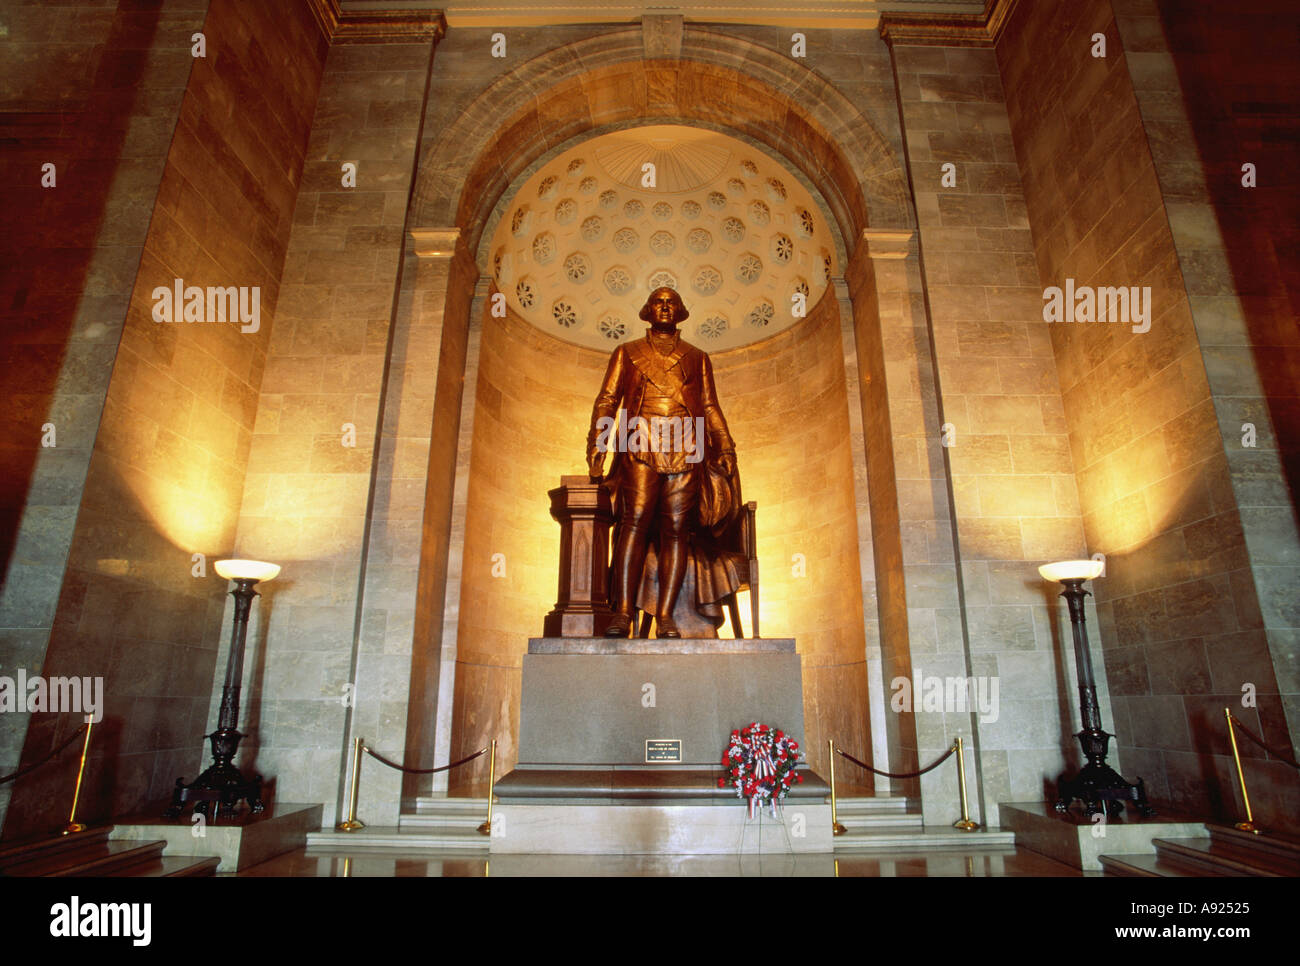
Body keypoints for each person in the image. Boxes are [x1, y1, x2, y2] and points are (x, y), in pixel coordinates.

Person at [586, 286, 743, 637]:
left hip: (686, 443)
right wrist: (599, 444)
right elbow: (608, 399)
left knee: (675, 532)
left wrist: (725, 446)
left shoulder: (697, 356)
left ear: (681, 311)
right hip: (639, 438)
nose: (665, 307)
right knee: (635, 522)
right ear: (648, 310)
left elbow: (710, 406)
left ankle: (666, 616)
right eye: (659, 302)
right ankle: (623, 612)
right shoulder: (627, 352)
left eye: (672, 303)